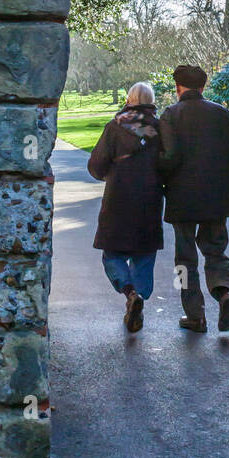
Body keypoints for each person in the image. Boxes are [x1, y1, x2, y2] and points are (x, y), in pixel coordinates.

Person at [158, 63, 229, 334]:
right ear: (203, 86)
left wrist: (160, 180)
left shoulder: (171, 115)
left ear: (178, 87)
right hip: (216, 199)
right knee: (216, 251)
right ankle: (224, 294)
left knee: (184, 260)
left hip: (182, 199)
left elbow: (169, 157)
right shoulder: (221, 114)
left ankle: (194, 315)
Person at [87, 82, 164, 334]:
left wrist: (111, 172)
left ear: (129, 100)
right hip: (150, 198)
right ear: (151, 101)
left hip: (118, 198)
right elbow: (170, 160)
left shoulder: (115, 126)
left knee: (112, 253)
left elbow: (96, 165)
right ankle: (139, 294)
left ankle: (130, 293)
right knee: (144, 253)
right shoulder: (160, 127)